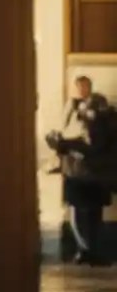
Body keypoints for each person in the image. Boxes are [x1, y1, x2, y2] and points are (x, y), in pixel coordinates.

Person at [47, 75, 116, 265]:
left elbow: (89, 144)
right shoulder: (101, 116)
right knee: (89, 214)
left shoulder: (96, 116)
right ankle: (88, 249)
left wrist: (63, 144)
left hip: (84, 172)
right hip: (91, 173)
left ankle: (86, 250)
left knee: (83, 212)